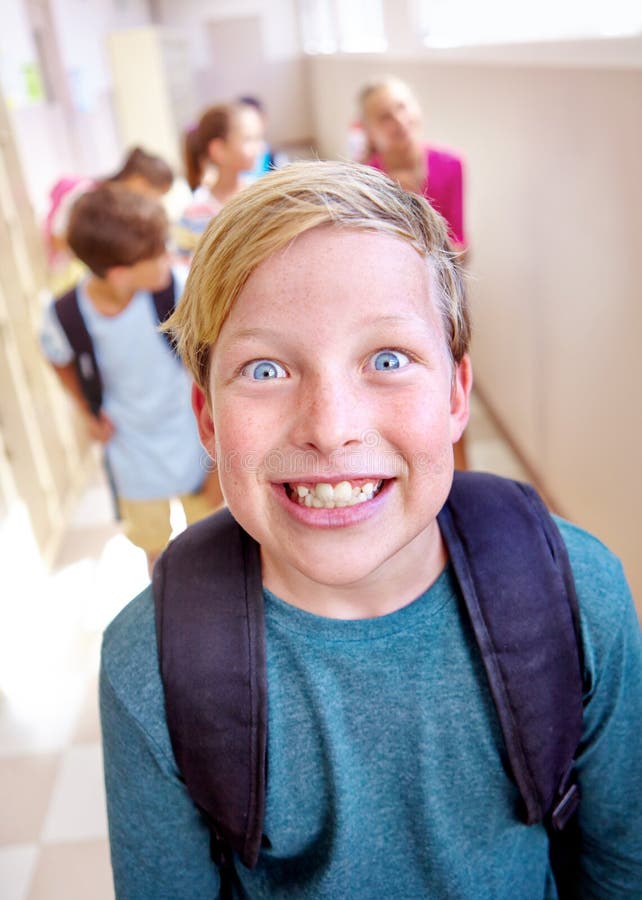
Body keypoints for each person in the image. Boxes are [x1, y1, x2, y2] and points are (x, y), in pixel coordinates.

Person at [99, 161, 642, 897]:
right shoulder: (150, 666)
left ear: (455, 394)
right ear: (208, 420)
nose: (331, 429)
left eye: (388, 359)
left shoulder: (582, 597)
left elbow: (622, 864)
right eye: (265, 369)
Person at [40, 183, 222, 573]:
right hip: (131, 447)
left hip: (191, 434)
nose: (168, 258)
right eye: (157, 253)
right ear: (121, 274)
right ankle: (165, 599)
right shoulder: (66, 315)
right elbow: (56, 356)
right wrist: (86, 412)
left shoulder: (177, 285)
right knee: (153, 546)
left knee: (211, 538)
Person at [44, 146, 174, 295]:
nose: (155, 201)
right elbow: (57, 240)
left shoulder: (123, 209)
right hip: (67, 277)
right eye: (157, 194)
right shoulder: (83, 195)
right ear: (140, 182)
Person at [358, 76, 466, 250]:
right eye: (385, 117)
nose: (399, 121)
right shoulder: (365, 179)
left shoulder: (451, 163)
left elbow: (460, 246)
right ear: (369, 131)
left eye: (402, 107)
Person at [174, 101, 265, 257]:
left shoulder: (262, 196)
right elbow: (186, 268)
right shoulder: (192, 214)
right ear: (219, 149)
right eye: (248, 139)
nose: (260, 147)